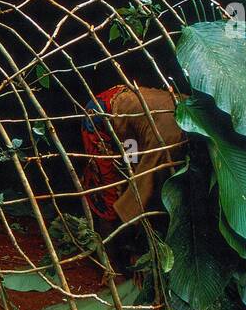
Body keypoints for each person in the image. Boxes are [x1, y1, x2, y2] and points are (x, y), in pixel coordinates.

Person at [79, 84, 186, 227]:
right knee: (109, 189)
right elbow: (144, 182)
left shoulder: (206, 119)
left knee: (129, 170)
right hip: (102, 112)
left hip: (132, 128)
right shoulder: (170, 139)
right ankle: (107, 238)